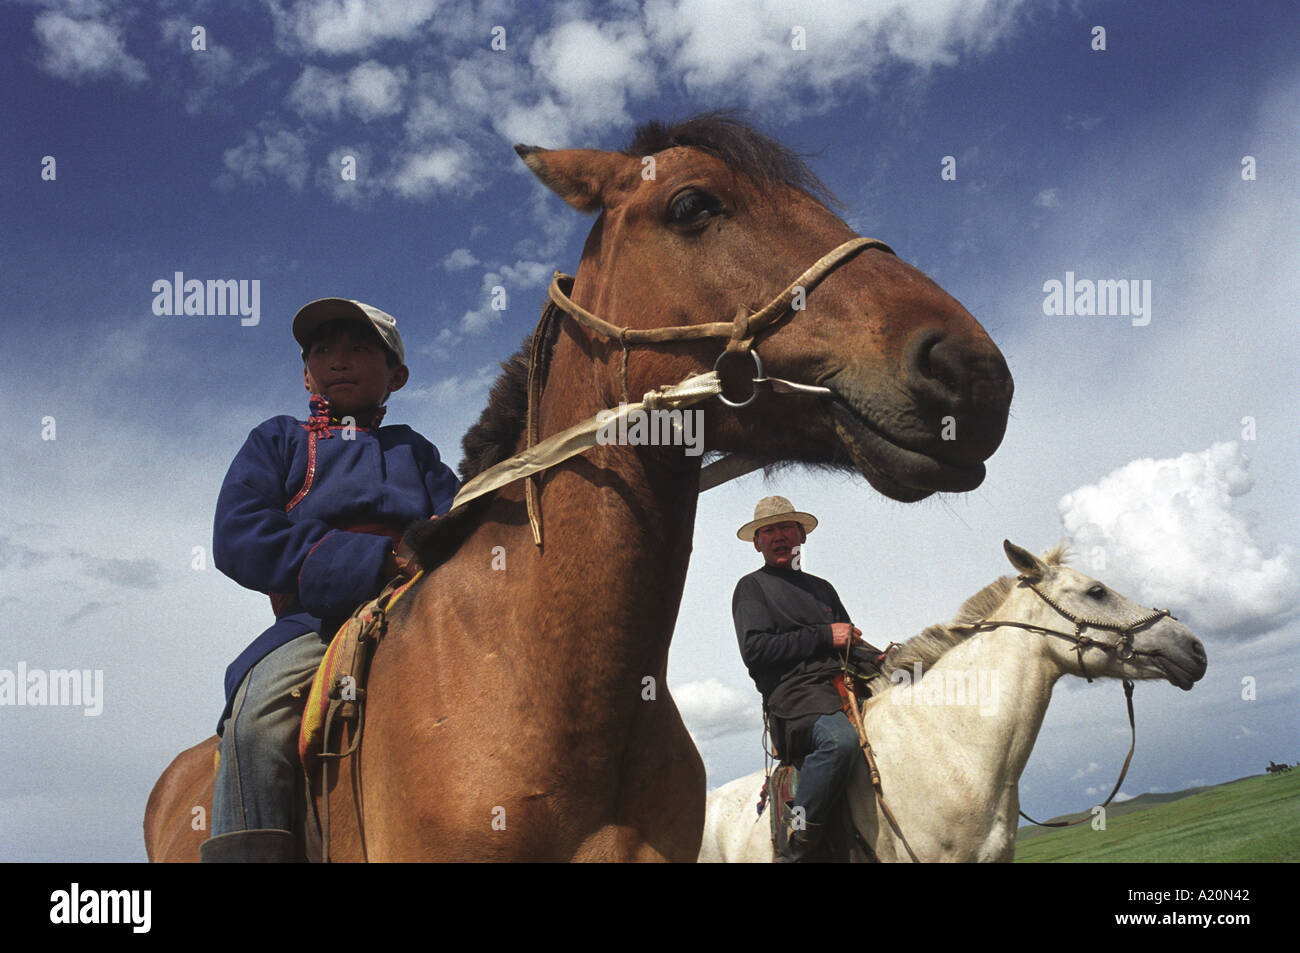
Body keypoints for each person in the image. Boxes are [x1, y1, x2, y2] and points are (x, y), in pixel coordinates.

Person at [202, 298, 460, 862]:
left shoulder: (416, 452)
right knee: (255, 725)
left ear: (397, 376)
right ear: (305, 374)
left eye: (359, 348)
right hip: (313, 622)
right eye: (323, 350)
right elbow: (239, 535)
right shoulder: (277, 440)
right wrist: (380, 559)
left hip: (422, 604)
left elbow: (462, 521)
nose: (338, 360)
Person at [731, 495, 879, 862]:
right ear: (757, 542)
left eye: (786, 528)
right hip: (794, 697)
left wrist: (883, 658)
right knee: (840, 743)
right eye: (769, 531)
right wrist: (825, 636)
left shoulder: (823, 588)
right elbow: (756, 651)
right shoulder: (752, 588)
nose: (779, 536)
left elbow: (847, 645)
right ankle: (796, 846)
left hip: (841, 687)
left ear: (802, 536)